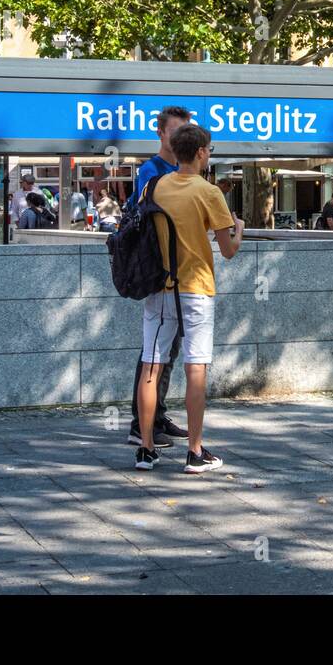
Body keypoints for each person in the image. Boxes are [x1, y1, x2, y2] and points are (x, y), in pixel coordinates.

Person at [134, 123, 244, 472]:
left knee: (152, 364)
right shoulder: (209, 192)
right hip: (195, 288)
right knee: (195, 367)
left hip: (159, 287)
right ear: (199, 152)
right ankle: (195, 451)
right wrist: (237, 230)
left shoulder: (156, 186)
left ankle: (146, 448)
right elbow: (228, 251)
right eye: (209, 149)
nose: (209, 155)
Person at [126, 105, 193, 450]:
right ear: (161, 133)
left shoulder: (184, 170)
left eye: (187, 131)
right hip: (162, 271)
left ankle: (157, 414)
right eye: (177, 131)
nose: (183, 137)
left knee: (168, 348)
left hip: (182, 272)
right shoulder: (152, 171)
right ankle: (142, 424)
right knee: (155, 351)